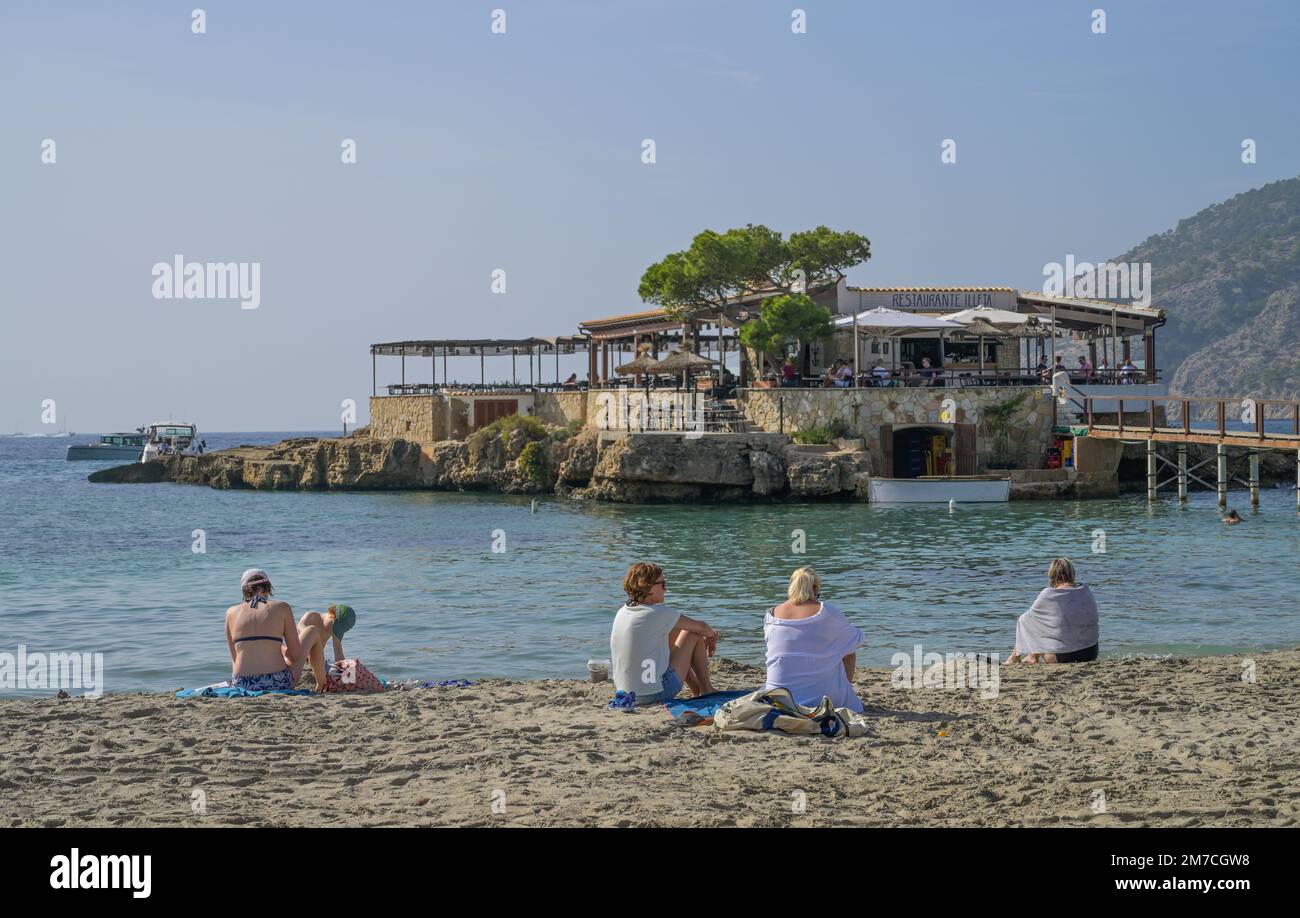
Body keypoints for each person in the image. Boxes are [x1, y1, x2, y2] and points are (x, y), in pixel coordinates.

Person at [610, 562, 718, 704]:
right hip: (652, 694)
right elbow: (702, 627)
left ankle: (696, 689)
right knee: (693, 634)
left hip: (625, 692)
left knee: (676, 629)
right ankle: (706, 689)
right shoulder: (657, 613)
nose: (666, 589)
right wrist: (712, 635)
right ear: (649, 587)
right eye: (663, 584)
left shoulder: (623, 611)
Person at [762, 567, 864, 712]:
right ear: (815, 589)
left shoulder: (770, 615)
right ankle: (842, 695)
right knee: (848, 651)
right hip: (820, 699)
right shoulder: (827, 611)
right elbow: (858, 640)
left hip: (777, 698)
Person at [1005, 558, 1099, 664]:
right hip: (1091, 652)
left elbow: (1025, 621)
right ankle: (1032, 656)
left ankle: (1018, 657)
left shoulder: (1049, 594)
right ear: (1072, 573)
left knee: (1028, 621)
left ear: (1052, 575)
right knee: (1040, 620)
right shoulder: (1085, 590)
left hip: (1063, 657)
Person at [225, 569, 302, 691]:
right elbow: (295, 656)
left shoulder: (230, 612)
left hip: (242, 683)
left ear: (245, 590)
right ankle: (322, 683)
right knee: (311, 632)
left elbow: (235, 658)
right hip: (275, 681)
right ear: (268, 587)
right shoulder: (282, 607)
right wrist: (280, 648)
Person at [291, 604, 357, 691]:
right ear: (331, 614)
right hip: (301, 661)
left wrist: (347, 672)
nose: (333, 631)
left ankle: (349, 685)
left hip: (318, 663)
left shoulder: (334, 631)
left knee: (350, 669)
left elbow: (338, 654)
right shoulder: (311, 616)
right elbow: (300, 631)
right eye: (334, 626)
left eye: (337, 630)